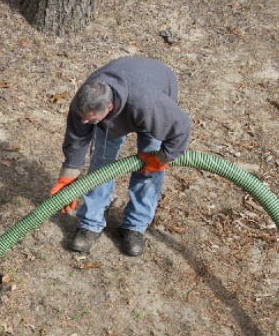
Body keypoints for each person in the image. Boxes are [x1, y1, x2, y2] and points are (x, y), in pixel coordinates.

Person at [50, 56, 191, 256]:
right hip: (127, 94)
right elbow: (77, 137)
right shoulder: (84, 102)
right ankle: (91, 223)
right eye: (82, 116)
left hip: (154, 89)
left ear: (108, 107)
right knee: (101, 163)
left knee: (149, 172)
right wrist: (69, 174)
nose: (83, 121)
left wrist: (162, 158)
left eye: (89, 119)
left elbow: (181, 126)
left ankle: (135, 226)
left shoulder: (148, 104)